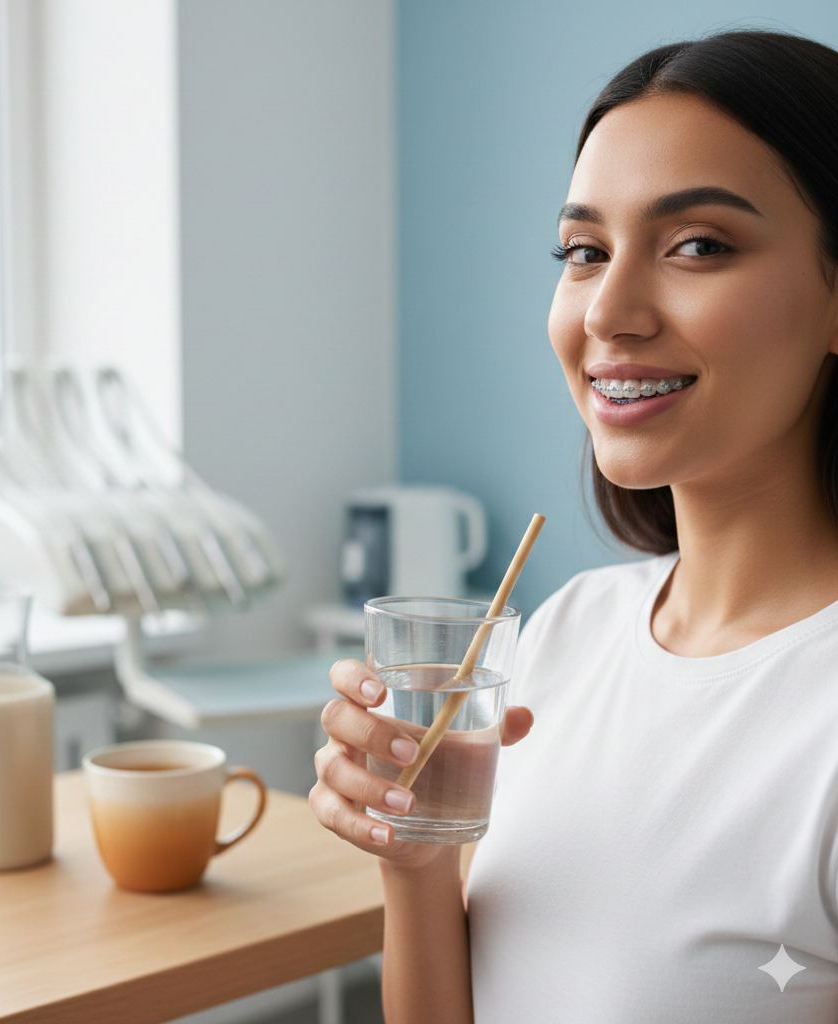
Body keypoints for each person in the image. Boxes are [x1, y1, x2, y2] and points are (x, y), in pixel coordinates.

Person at [309, 30, 838, 1023]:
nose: (608, 312)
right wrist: (416, 864)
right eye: (585, 252)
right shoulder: (560, 635)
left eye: (698, 245)